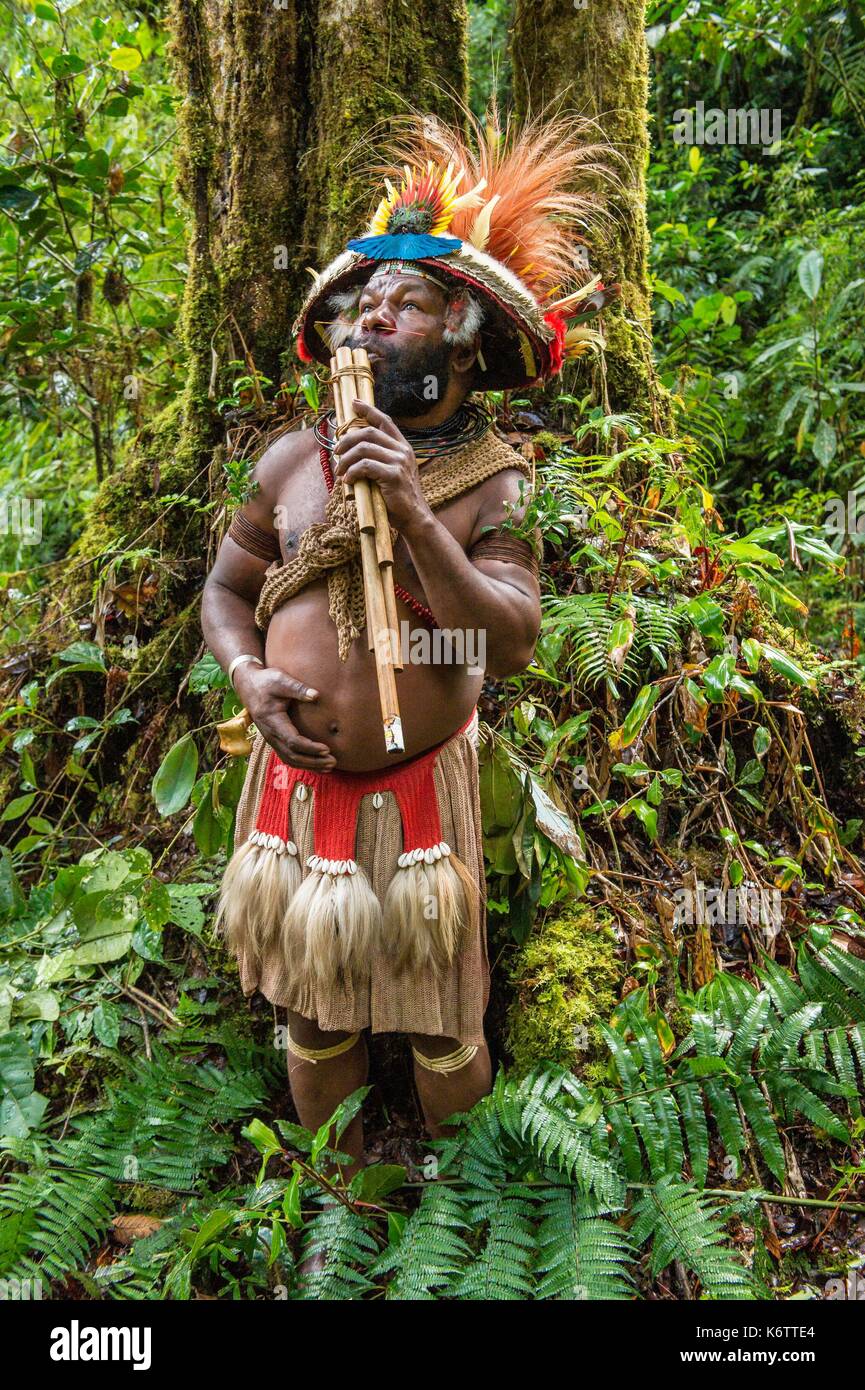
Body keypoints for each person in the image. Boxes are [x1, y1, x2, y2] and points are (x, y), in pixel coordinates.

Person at [201, 109, 613, 1173]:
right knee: (314, 1019)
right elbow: (226, 590)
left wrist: (413, 507)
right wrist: (248, 677)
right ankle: (343, 1213)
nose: (371, 319)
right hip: (295, 798)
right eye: (361, 303)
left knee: (443, 1026)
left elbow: (512, 640)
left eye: (406, 302)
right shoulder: (292, 459)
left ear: (464, 344)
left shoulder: (493, 480)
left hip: (422, 803)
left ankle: (466, 1221)